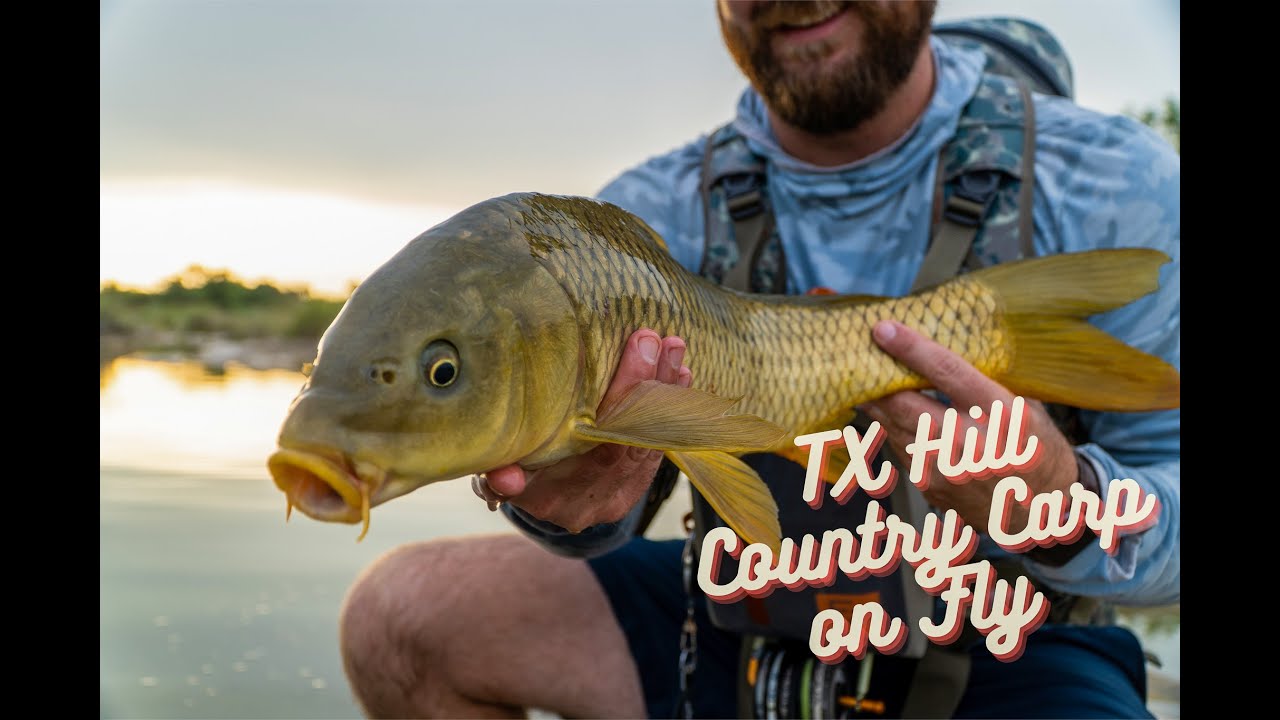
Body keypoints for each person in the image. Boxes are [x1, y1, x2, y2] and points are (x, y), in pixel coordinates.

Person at [338, 1, 1180, 717]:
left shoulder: (1114, 181)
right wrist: (572, 509)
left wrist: (1069, 502)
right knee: (401, 614)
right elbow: (602, 500)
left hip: (1018, 644)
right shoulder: (642, 216)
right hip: (739, 627)